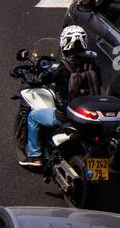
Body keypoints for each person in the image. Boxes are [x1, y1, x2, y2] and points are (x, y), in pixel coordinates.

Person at [20, 25, 101, 167]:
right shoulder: (92, 66)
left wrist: (25, 74)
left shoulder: (61, 66)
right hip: (89, 115)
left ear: (65, 44)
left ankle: (35, 157)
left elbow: (40, 79)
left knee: (33, 117)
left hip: (65, 115)